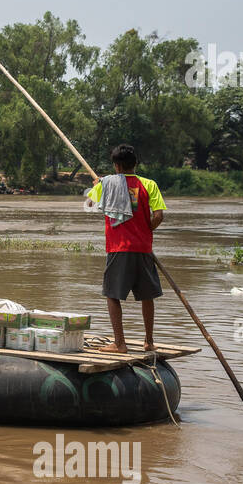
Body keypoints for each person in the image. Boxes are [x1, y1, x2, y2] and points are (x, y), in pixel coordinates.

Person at [84, 143, 167, 353]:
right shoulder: (149, 184)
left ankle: (120, 343)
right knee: (147, 296)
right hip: (143, 247)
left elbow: (88, 205)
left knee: (112, 295)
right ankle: (149, 341)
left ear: (116, 166)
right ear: (135, 164)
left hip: (118, 248)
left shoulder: (107, 184)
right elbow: (158, 216)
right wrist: (145, 230)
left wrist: (97, 186)